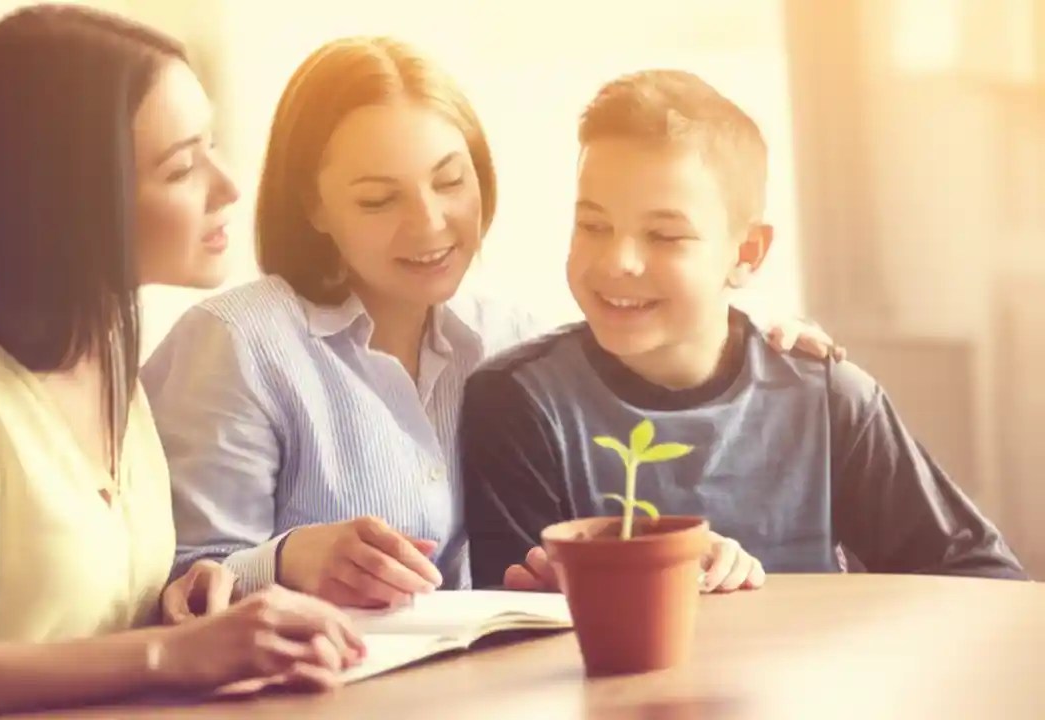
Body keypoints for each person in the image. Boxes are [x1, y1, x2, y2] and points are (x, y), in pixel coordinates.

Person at [0, 7, 361, 720]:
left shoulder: (104, 359)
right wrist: (170, 656)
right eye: (182, 165)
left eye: (211, 146)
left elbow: (66, 629)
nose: (228, 186)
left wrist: (177, 607)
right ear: (71, 196)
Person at [141, 36, 842, 609]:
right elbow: (176, 586)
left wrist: (757, 342)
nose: (430, 224)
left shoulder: (510, 341)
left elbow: (649, 371)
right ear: (314, 207)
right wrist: (288, 559)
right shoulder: (237, 343)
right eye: (379, 200)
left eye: (451, 182)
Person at [459, 69, 1027, 595]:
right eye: (594, 225)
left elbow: (983, 579)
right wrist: (656, 568)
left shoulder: (829, 398)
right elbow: (514, 619)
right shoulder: (517, 403)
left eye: (664, 236)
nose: (618, 261)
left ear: (747, 253)